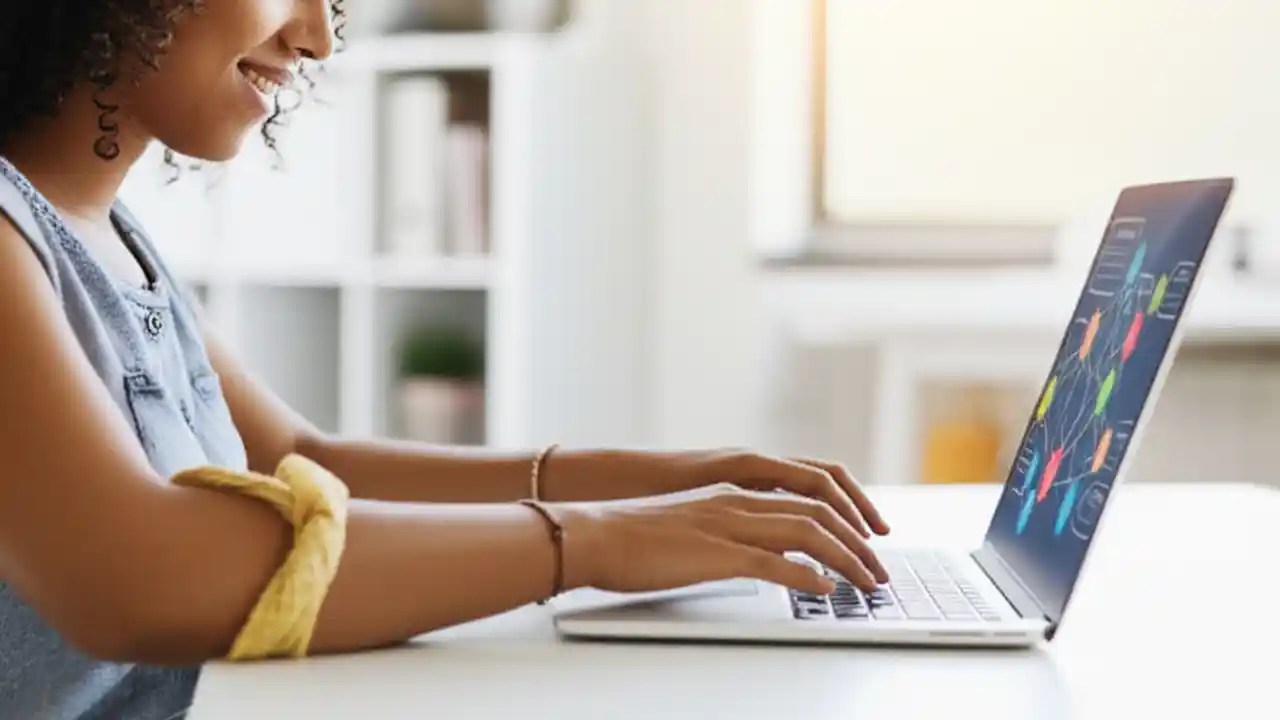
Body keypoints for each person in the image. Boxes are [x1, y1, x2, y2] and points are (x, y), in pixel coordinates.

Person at [0, 2, 890, 717]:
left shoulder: (108, 237)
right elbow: (138, 575)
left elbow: (308, 464)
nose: (315, 34)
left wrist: (664, 492)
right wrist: (597, 544)